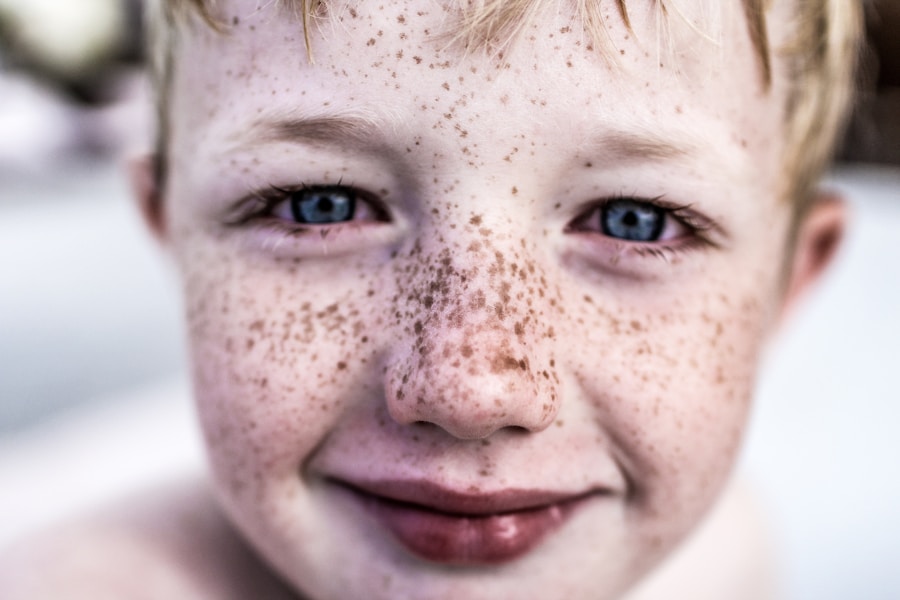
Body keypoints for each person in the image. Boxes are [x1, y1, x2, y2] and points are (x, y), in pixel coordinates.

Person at [0, 0, 862, 598]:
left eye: (635, 221)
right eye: (320, 204)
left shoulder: (720, 560)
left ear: (789, 283)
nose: (469, 391)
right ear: (171, 239)